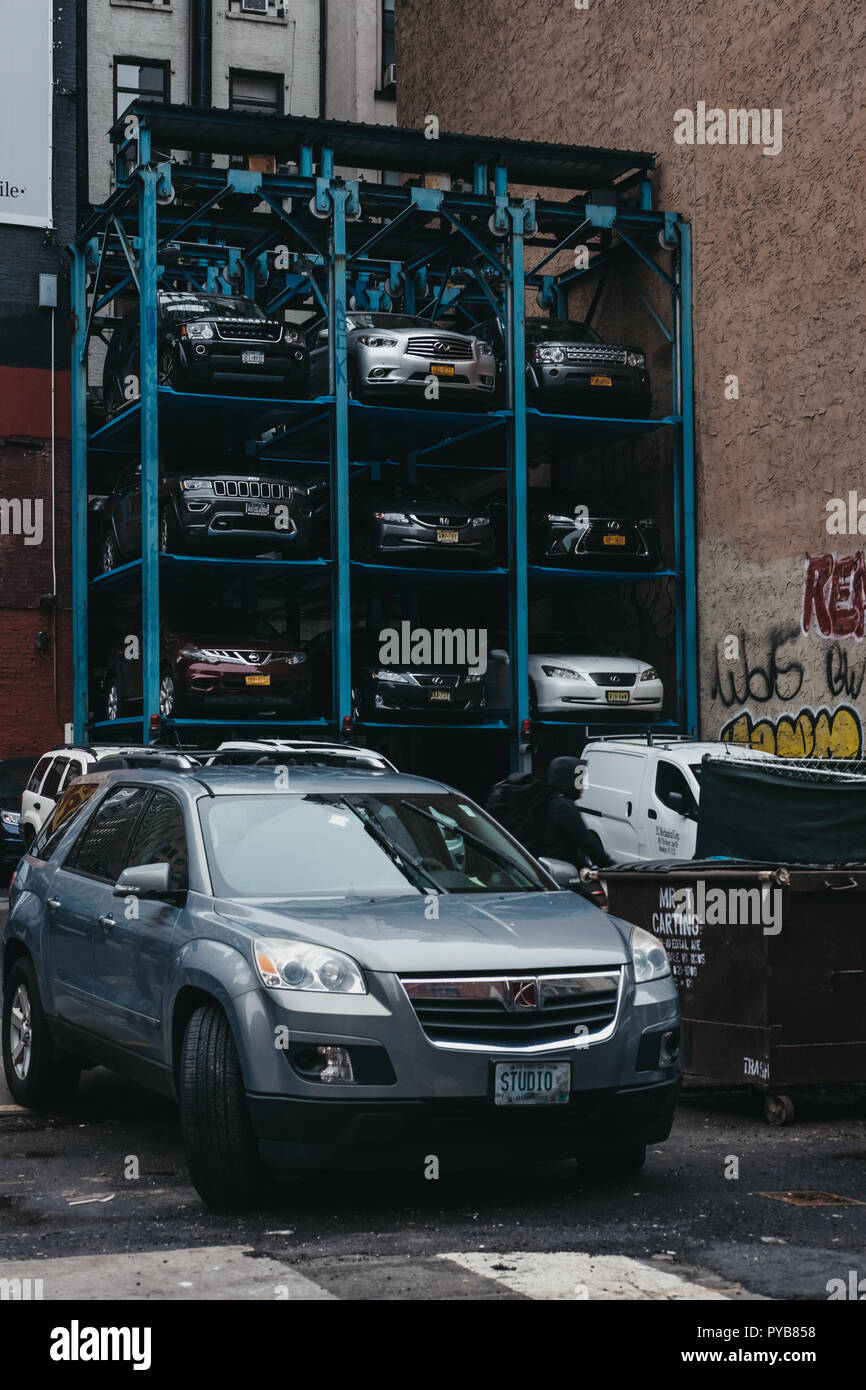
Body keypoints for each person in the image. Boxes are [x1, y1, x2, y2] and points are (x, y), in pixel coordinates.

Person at [484, 754, 613, 870]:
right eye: (580, 780)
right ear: (569, 778)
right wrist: (611, 867)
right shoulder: (564, 807)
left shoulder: (542, 799)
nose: (584, 786)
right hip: (558, 872)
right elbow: (587, 843)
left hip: (533, 867)